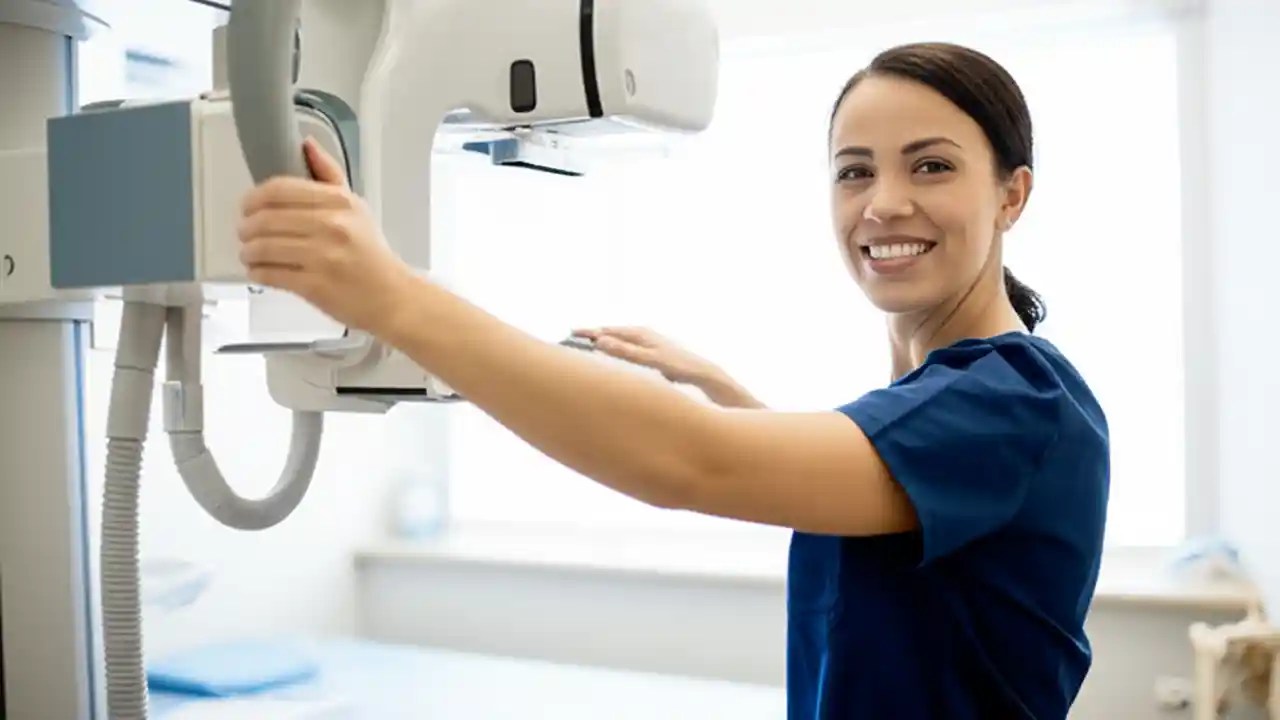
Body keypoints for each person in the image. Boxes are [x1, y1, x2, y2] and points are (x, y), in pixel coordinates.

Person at [235, 41, 1109, 720]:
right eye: (855, 171)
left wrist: (391, 297)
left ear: (1011, 195)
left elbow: (691, 464)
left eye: (931, 166)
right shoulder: (950, 408)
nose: (882, 202)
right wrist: (728, 395)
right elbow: (870, 510)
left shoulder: (1013, 402)